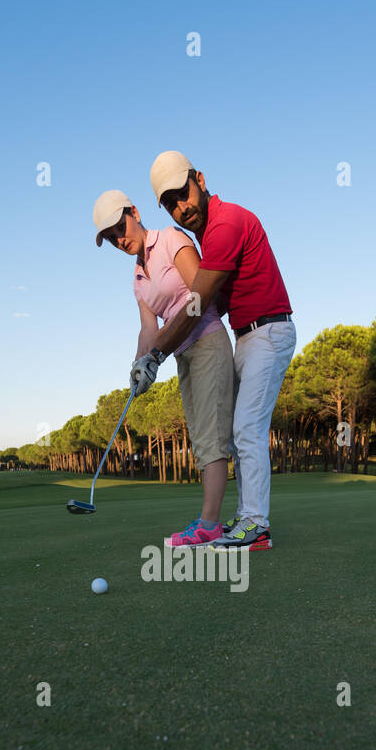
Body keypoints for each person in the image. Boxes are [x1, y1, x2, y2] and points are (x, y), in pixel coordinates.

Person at [130, 152, 295, 551]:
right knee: (240, 433)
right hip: (247, 335)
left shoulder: (225, 223)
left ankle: (256, 526)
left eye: (182, 194)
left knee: (246, 429)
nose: (180, 207)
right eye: (169, 203)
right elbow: (214, 301)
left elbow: (196, 303)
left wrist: (156, 354)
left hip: (268, 332)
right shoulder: (208, 232)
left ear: (199, 180)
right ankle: (247, 518)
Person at [92, 189, 234, 546]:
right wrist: (140, 363)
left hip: (209, 342)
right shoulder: (138, 279)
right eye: (110, 238)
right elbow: (149, 329)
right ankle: (213, 521)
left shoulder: (171, 240)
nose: (119, 239)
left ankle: (210, 524)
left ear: (134, 212)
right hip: (183, 355)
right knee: (202, 440)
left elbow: (201, 294)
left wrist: (156, 354)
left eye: (119, 227)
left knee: (214, 436)